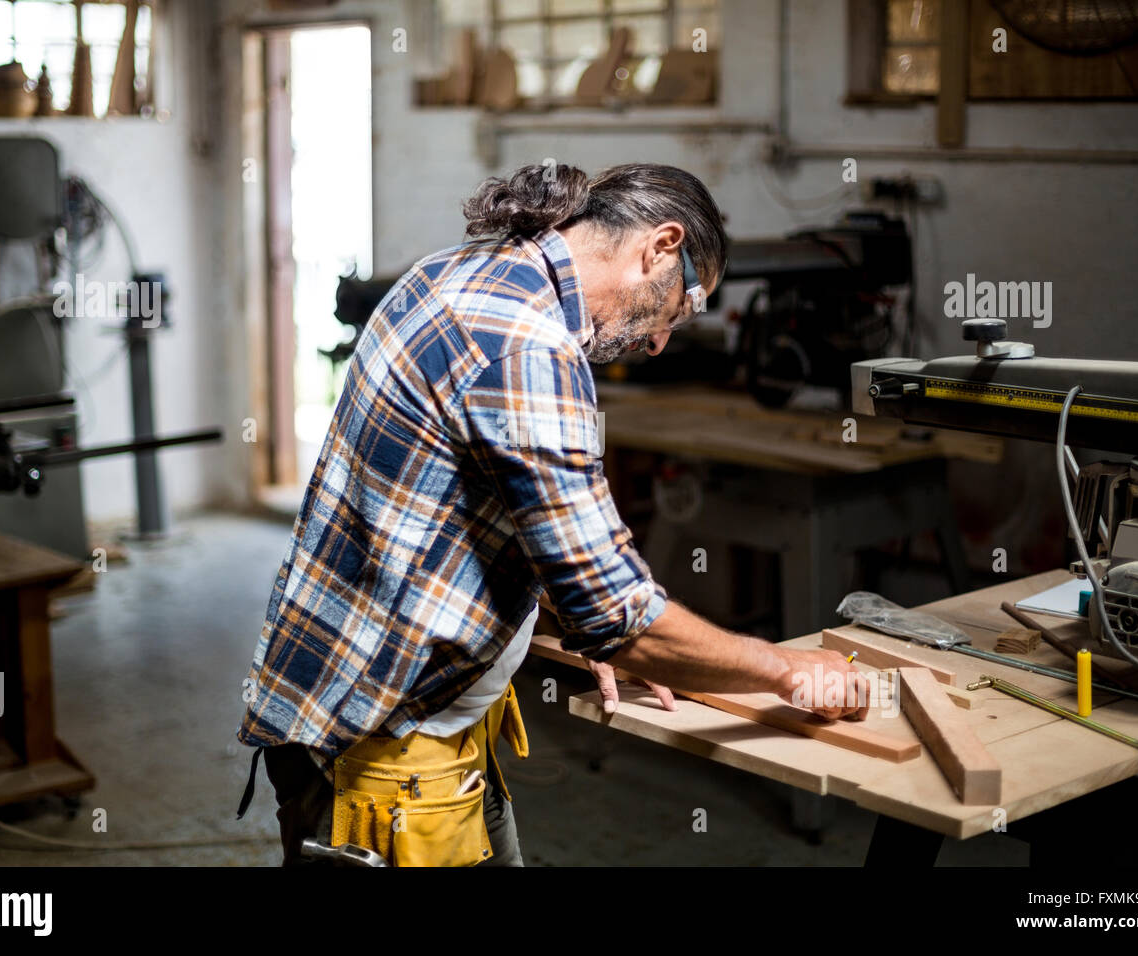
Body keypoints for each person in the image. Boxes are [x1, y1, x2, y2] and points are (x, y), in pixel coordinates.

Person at [235, 163, 868, 866]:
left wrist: (583, 623)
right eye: (682, 306)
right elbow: (615, 612)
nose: (661, 340)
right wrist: (782, 668)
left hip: (366, 699)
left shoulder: (460, 268)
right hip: (381, 735)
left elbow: (454, 507)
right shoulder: (528, 345)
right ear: (660, 245)